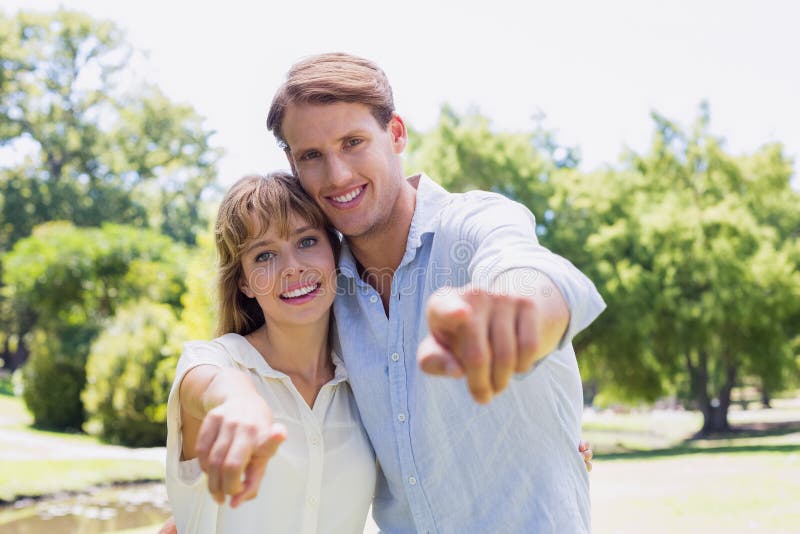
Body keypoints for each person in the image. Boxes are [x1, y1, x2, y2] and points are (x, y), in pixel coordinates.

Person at [164, 173, 376, 533]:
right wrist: (238, 400)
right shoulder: (216, 361)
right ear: (244, 281)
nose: (292, 266)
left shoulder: (363, 381)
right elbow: (211, 386)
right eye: (264, 255)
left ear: (335, 255)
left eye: (307, 241)